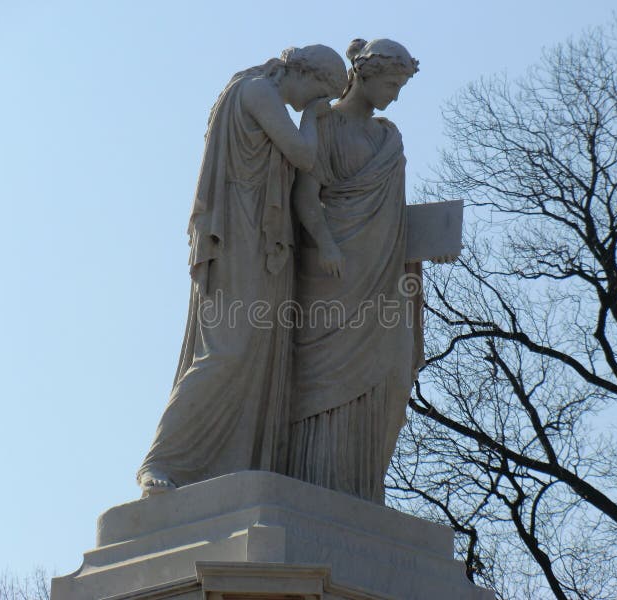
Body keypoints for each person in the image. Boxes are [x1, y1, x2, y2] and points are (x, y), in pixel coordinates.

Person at [137, 45, 347, 496]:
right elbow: (302, 154)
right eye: (320, 92)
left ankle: (230, 462)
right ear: (306, 74)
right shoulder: (257, 91)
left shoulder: (259, 91)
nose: (318, 102)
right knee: (226, 350)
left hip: (263, 237)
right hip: (239, 233)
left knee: (257, 351)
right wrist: (312, 116)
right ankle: (162, 460)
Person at [288, 39, 422, 504]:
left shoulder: (390, 138)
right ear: (365, 75)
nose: (395, 95)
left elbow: (396, 215)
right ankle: (320, 487)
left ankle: (364, 489)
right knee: (327, 381)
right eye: (391, 83)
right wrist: (326, 244)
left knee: (394, 373)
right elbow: (306, 194)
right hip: (333, 273)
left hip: (383, 273)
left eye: (401, 86)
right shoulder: (323, 123)